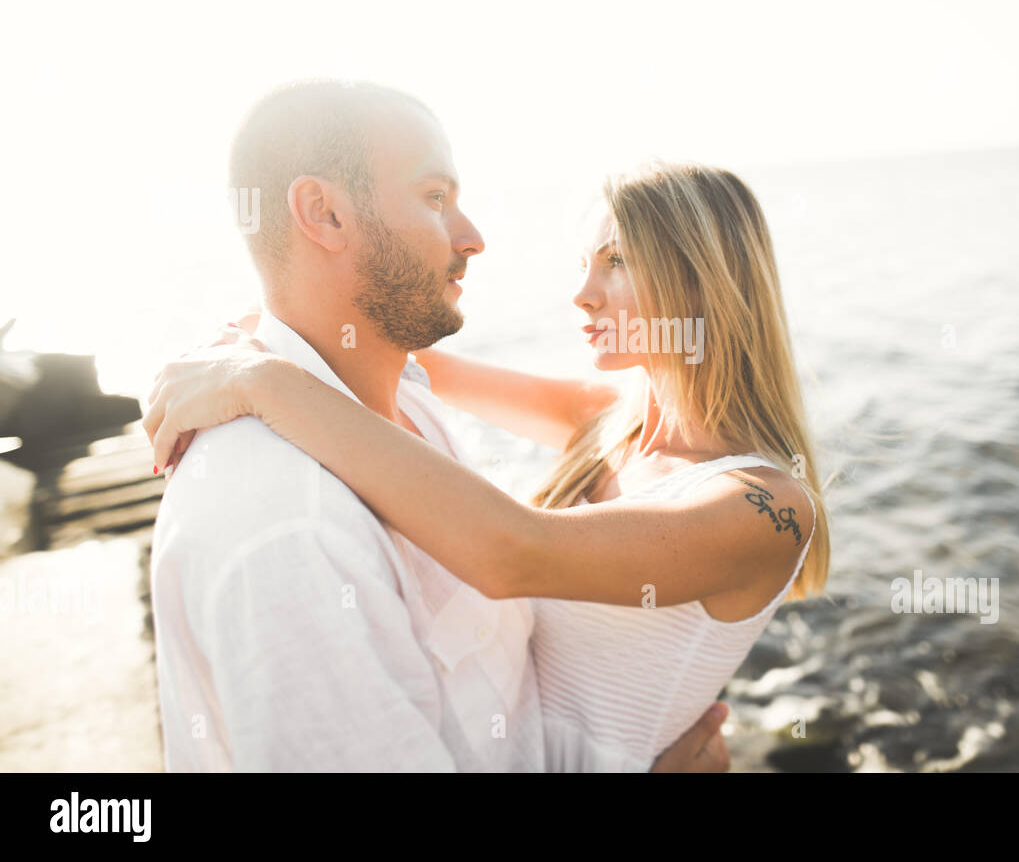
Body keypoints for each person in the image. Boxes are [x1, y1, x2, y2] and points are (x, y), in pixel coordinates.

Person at [148, 78, 728, 771]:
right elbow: (517, 550)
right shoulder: (291, 530)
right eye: (435, 197)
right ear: (325, 215)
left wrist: (259, 366)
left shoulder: (404, 394)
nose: (474, 237)